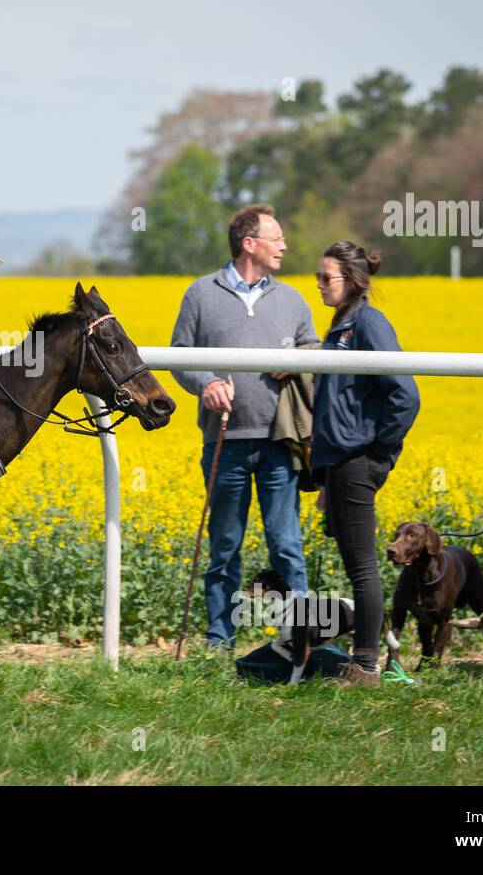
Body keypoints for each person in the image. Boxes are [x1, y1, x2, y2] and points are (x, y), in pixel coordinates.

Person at [169, 204, 319, 650]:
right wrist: (207, 383)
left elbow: (316, 348)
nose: (285, 246)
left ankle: (301, 640)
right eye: (277, 238)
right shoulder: (200, 294)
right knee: (225, 548)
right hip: (224, 441)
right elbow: (179, 357)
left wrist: (294, 362)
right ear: (249, 244)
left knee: (286, 545)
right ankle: (220, 641)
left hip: (280, 443)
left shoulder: (292, 299)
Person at [310, 242, 419, 686]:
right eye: (317, 277)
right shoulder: (341, 325)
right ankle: (366, 661)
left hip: (357, 461)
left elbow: (406, 395)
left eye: (326, 278)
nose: (318, 286)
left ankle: (367, 667)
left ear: (351, 280)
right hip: (339, 462)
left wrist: (377, 453)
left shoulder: (369, 323)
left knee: (363, 568)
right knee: (357, 564)